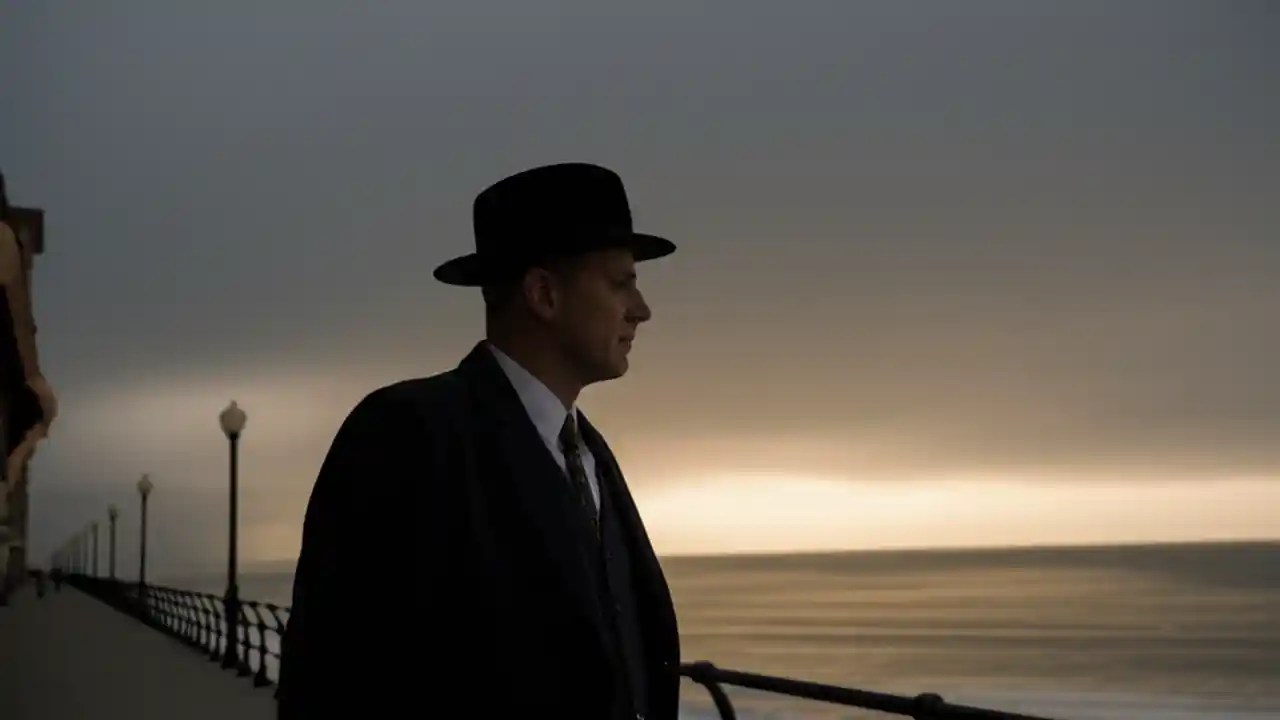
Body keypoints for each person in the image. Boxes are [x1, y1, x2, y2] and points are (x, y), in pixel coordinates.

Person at [277, 163, 682, 720]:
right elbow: (331, 677)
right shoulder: (405, 435)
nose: (642, 309)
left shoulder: (590, 454)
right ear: (543, 294)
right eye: (621, 282)